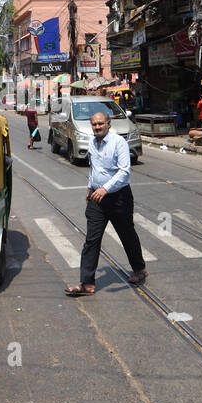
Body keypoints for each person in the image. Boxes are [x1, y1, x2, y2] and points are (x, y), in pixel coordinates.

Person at [65, 111, 146, 296]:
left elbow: (124, 172)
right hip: (96, 198)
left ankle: (139, 269)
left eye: (100, 124)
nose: (97, 127)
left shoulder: (119, 143)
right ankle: (87, 284)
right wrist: (90, 188)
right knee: (91, 240)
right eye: (94, 124)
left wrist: (105, 189)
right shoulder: (92, 143)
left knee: (127, 234)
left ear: (108, 124)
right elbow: (94, 169)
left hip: (119, 198)